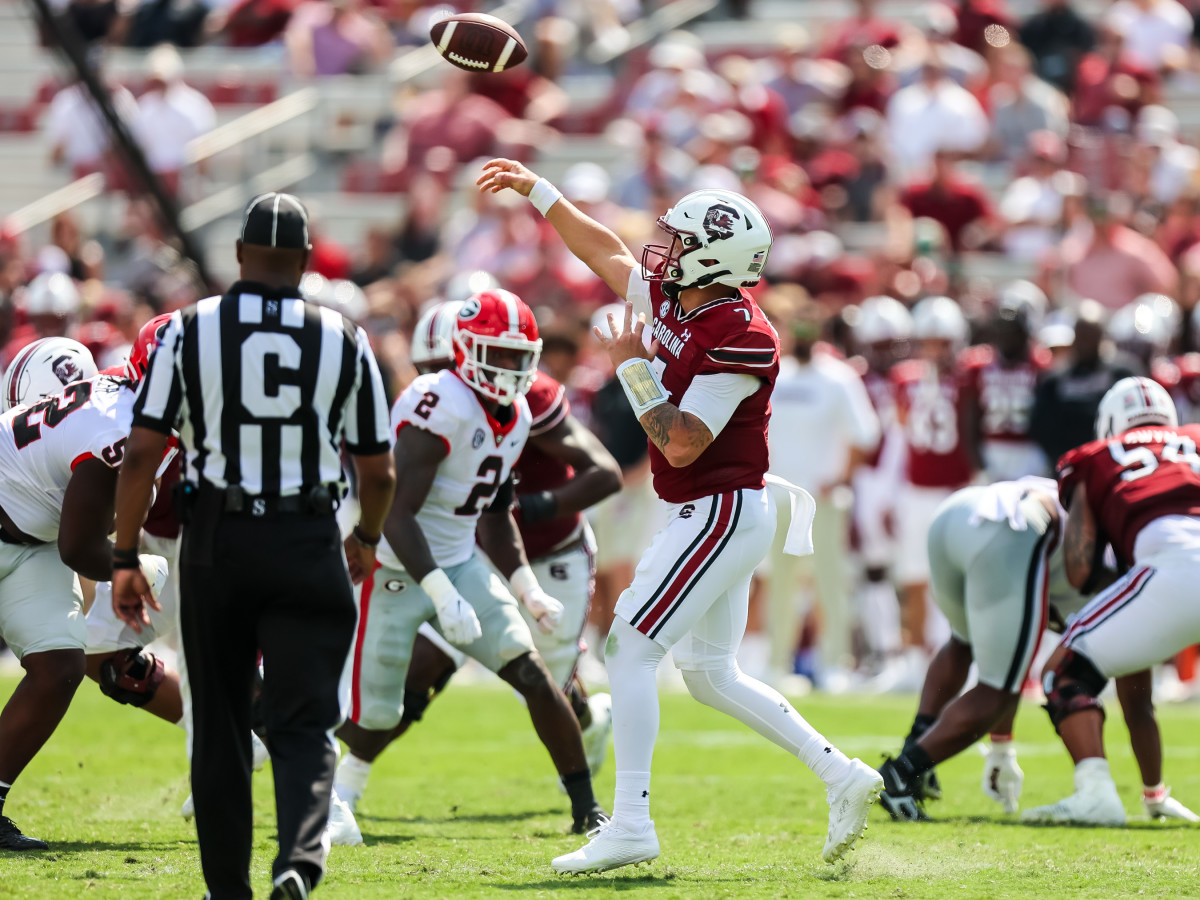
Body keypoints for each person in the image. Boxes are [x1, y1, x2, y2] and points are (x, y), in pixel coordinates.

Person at [476, 158, 884, 873]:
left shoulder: (741, 334)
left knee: (629, 648)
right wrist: (540, 191)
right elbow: (603, 249)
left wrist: (632, 365)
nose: (660, 253)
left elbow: (684, 442)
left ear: (714, 258)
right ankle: (841, 775)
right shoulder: (680, 297)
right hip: (710, 510)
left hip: (718, 508)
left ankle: (630, 821)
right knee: (710, 674)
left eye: (677, 241)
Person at [109, 192, 395, 900]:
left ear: (239, 255)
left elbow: (143, 454)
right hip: (306, 536)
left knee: (223, 725)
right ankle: (298, 864)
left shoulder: (187, 330)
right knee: (304, 723)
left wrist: (122, 556)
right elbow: (378, 469)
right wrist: (364, 536)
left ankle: (227, 890)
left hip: (218, 540)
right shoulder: (343, 337)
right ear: (303, 261)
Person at [334, 289, 608, 839]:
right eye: (497, 353)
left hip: (460, 562)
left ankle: (587, 810)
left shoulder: (519, 411)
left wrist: (525, 586)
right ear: (466, 351)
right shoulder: (439, 400)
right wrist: (439, 592)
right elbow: (394, 514)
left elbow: (496, 509)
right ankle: (300, 756)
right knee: (375, 715)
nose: (509, 367)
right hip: (395, 568)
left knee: (532, 674)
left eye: (518, 355)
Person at [0, 334, 175, 850]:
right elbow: (81, 546)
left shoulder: (137, 409)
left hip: (34, 541)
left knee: (58, 666)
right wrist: (130, 570)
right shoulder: (118, 423)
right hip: (33, 532)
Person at [1022, 377, 1200, 825]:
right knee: (1136, 686)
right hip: (1175, 565)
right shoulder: (1194, 439)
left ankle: (1096, 795)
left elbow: (1079, 568)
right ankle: (1154, 793)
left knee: (1063, 673)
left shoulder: (1095, 457)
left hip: (1174, 568)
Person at [763, 293, 880, 688]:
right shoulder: (776, 373)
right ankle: (778, 664)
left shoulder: (838, 376)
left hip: (824, 500)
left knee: (831, 580)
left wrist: (840, 478)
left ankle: (835, 665)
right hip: (780, 497)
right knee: (781, 583)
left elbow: (866, 433)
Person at [960, 281, 1052, 482]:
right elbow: (971, 419)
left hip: (1030, 452)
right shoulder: (979, 366)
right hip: (991, 451)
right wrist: (979, 466)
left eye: (1013, 331)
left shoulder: (1041, 365)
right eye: (1002, 329)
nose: (1007, 337)